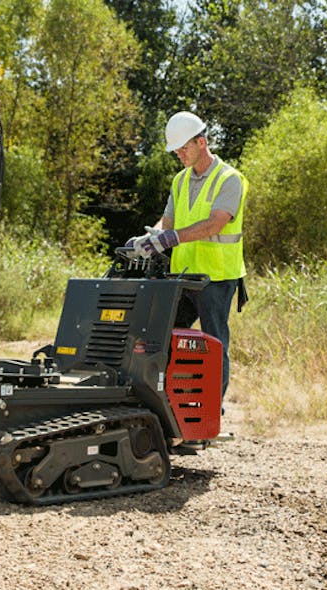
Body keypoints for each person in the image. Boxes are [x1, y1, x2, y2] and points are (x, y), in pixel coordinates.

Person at [129, 111, 248, 409]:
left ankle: (210, 413)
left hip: (216, 278)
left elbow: (214, 224)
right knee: (164, 338)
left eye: (184, 148)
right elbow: (167, 222)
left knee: (214, 344)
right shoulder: (180, 181)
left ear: (201, 142)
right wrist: (151, 237)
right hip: (182, 276)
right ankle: (176, 406)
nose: (179, 155)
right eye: (177, 150)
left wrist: (171, 239)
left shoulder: (230, 179)